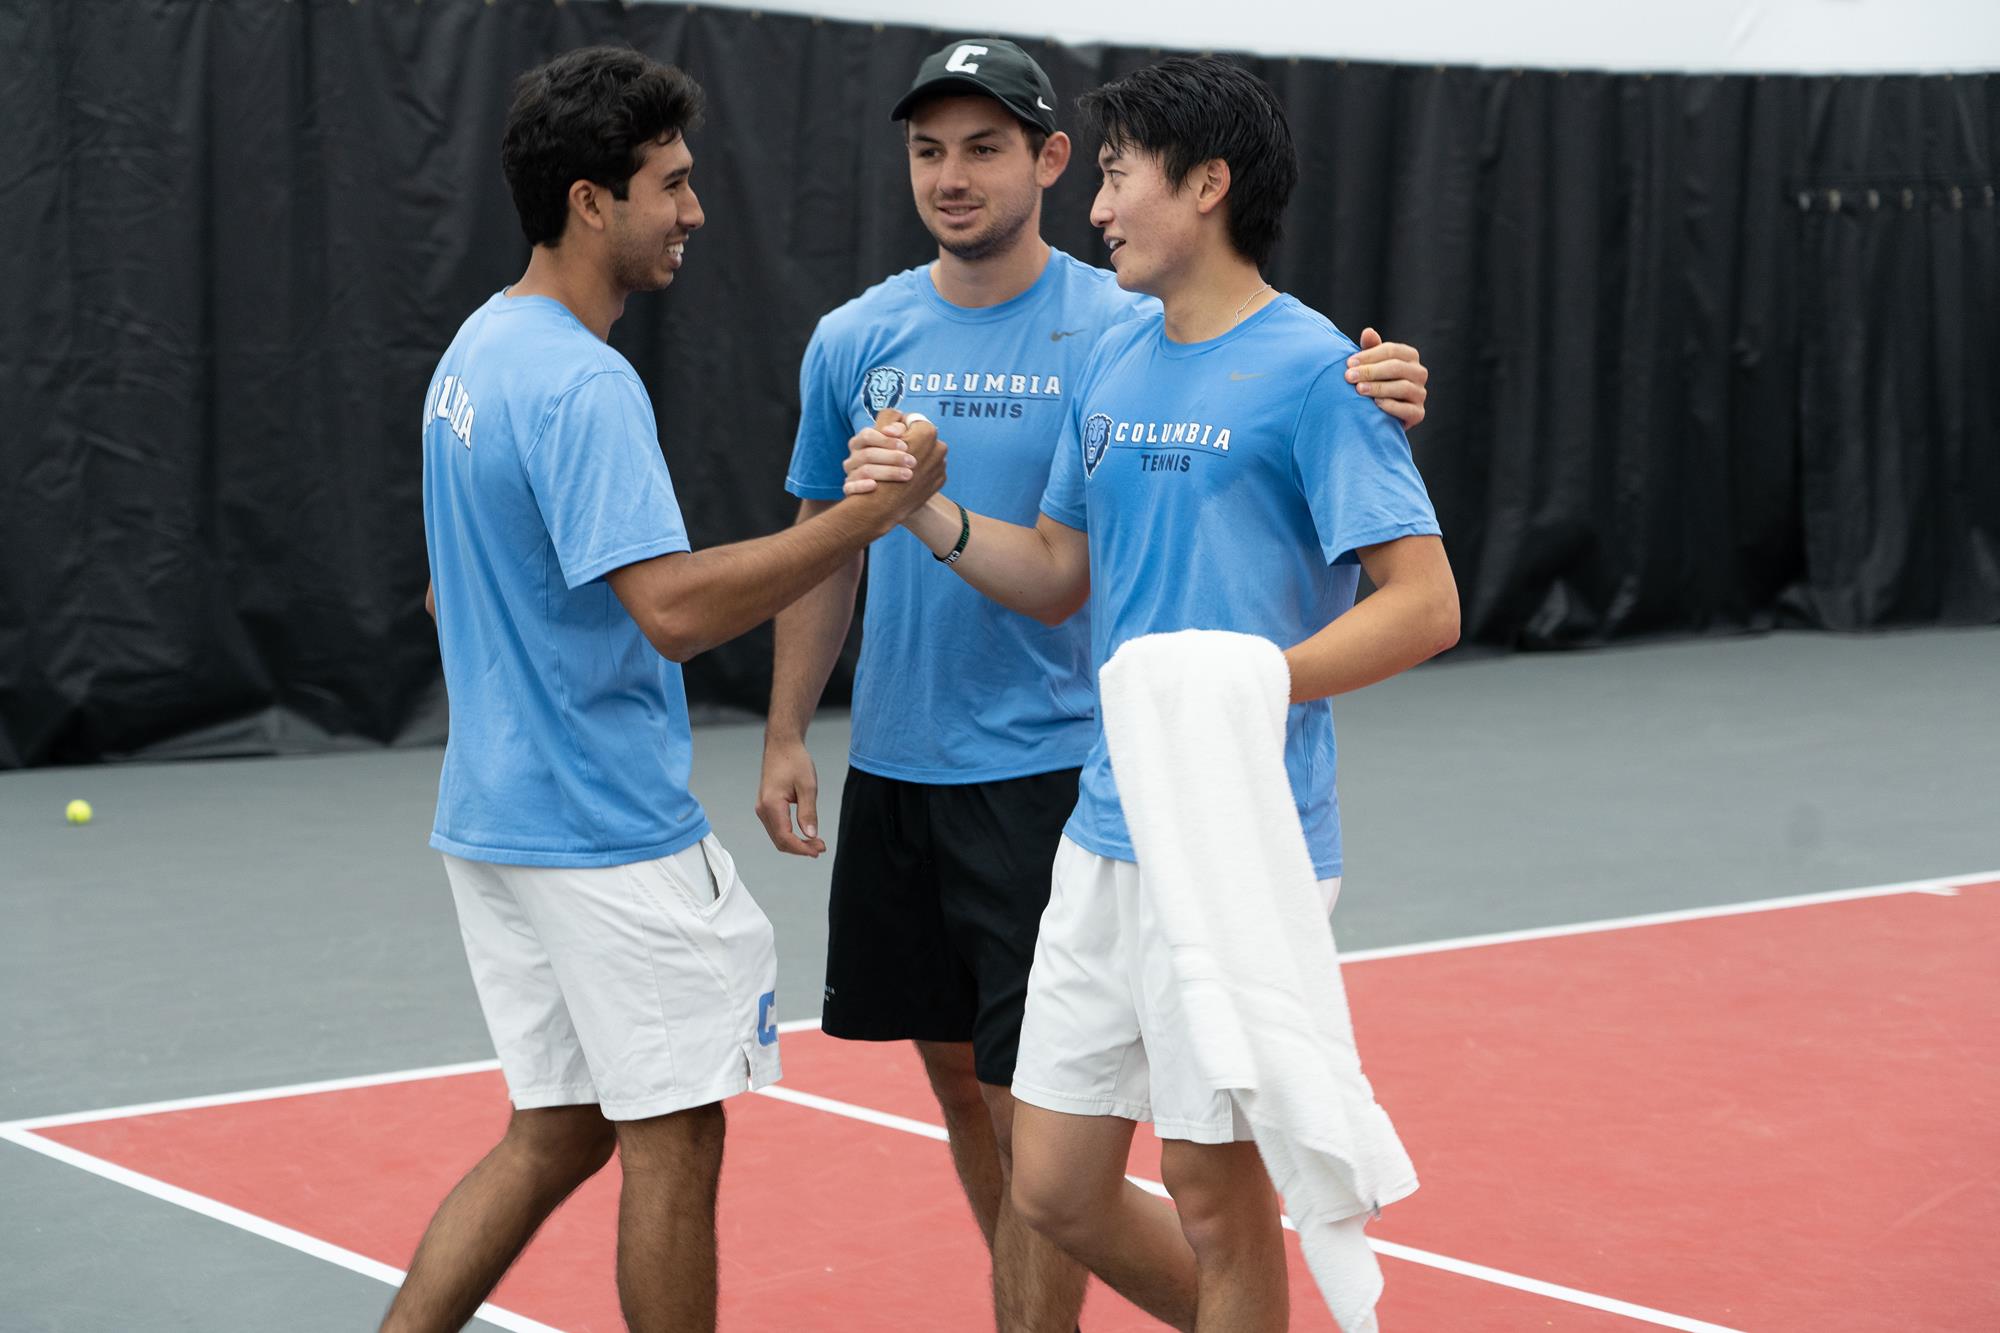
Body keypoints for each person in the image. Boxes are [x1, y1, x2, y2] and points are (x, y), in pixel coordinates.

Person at [760, 38, 1433, 1333]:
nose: (1101, 207)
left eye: (1114, 177)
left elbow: (1422, 592)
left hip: (1190, 812)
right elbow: (1054, 564)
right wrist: (921, 515)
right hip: (1065, 817)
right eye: (929, 149)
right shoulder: (1056, 361)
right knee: (1037, 1161)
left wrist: (1246, 681)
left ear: (1200, 186)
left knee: (1201, 1181)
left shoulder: (1251, 354)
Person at [390, 47, 943, 1333]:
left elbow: (446, 594)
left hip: (496, 818)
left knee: (557, 1131)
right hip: (600, 832)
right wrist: (872, 514)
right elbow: (675, 610)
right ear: (593, 200)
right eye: (672, 184)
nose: (693, 211)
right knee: (674, 1144)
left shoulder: (477, 349)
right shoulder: (584, 382)